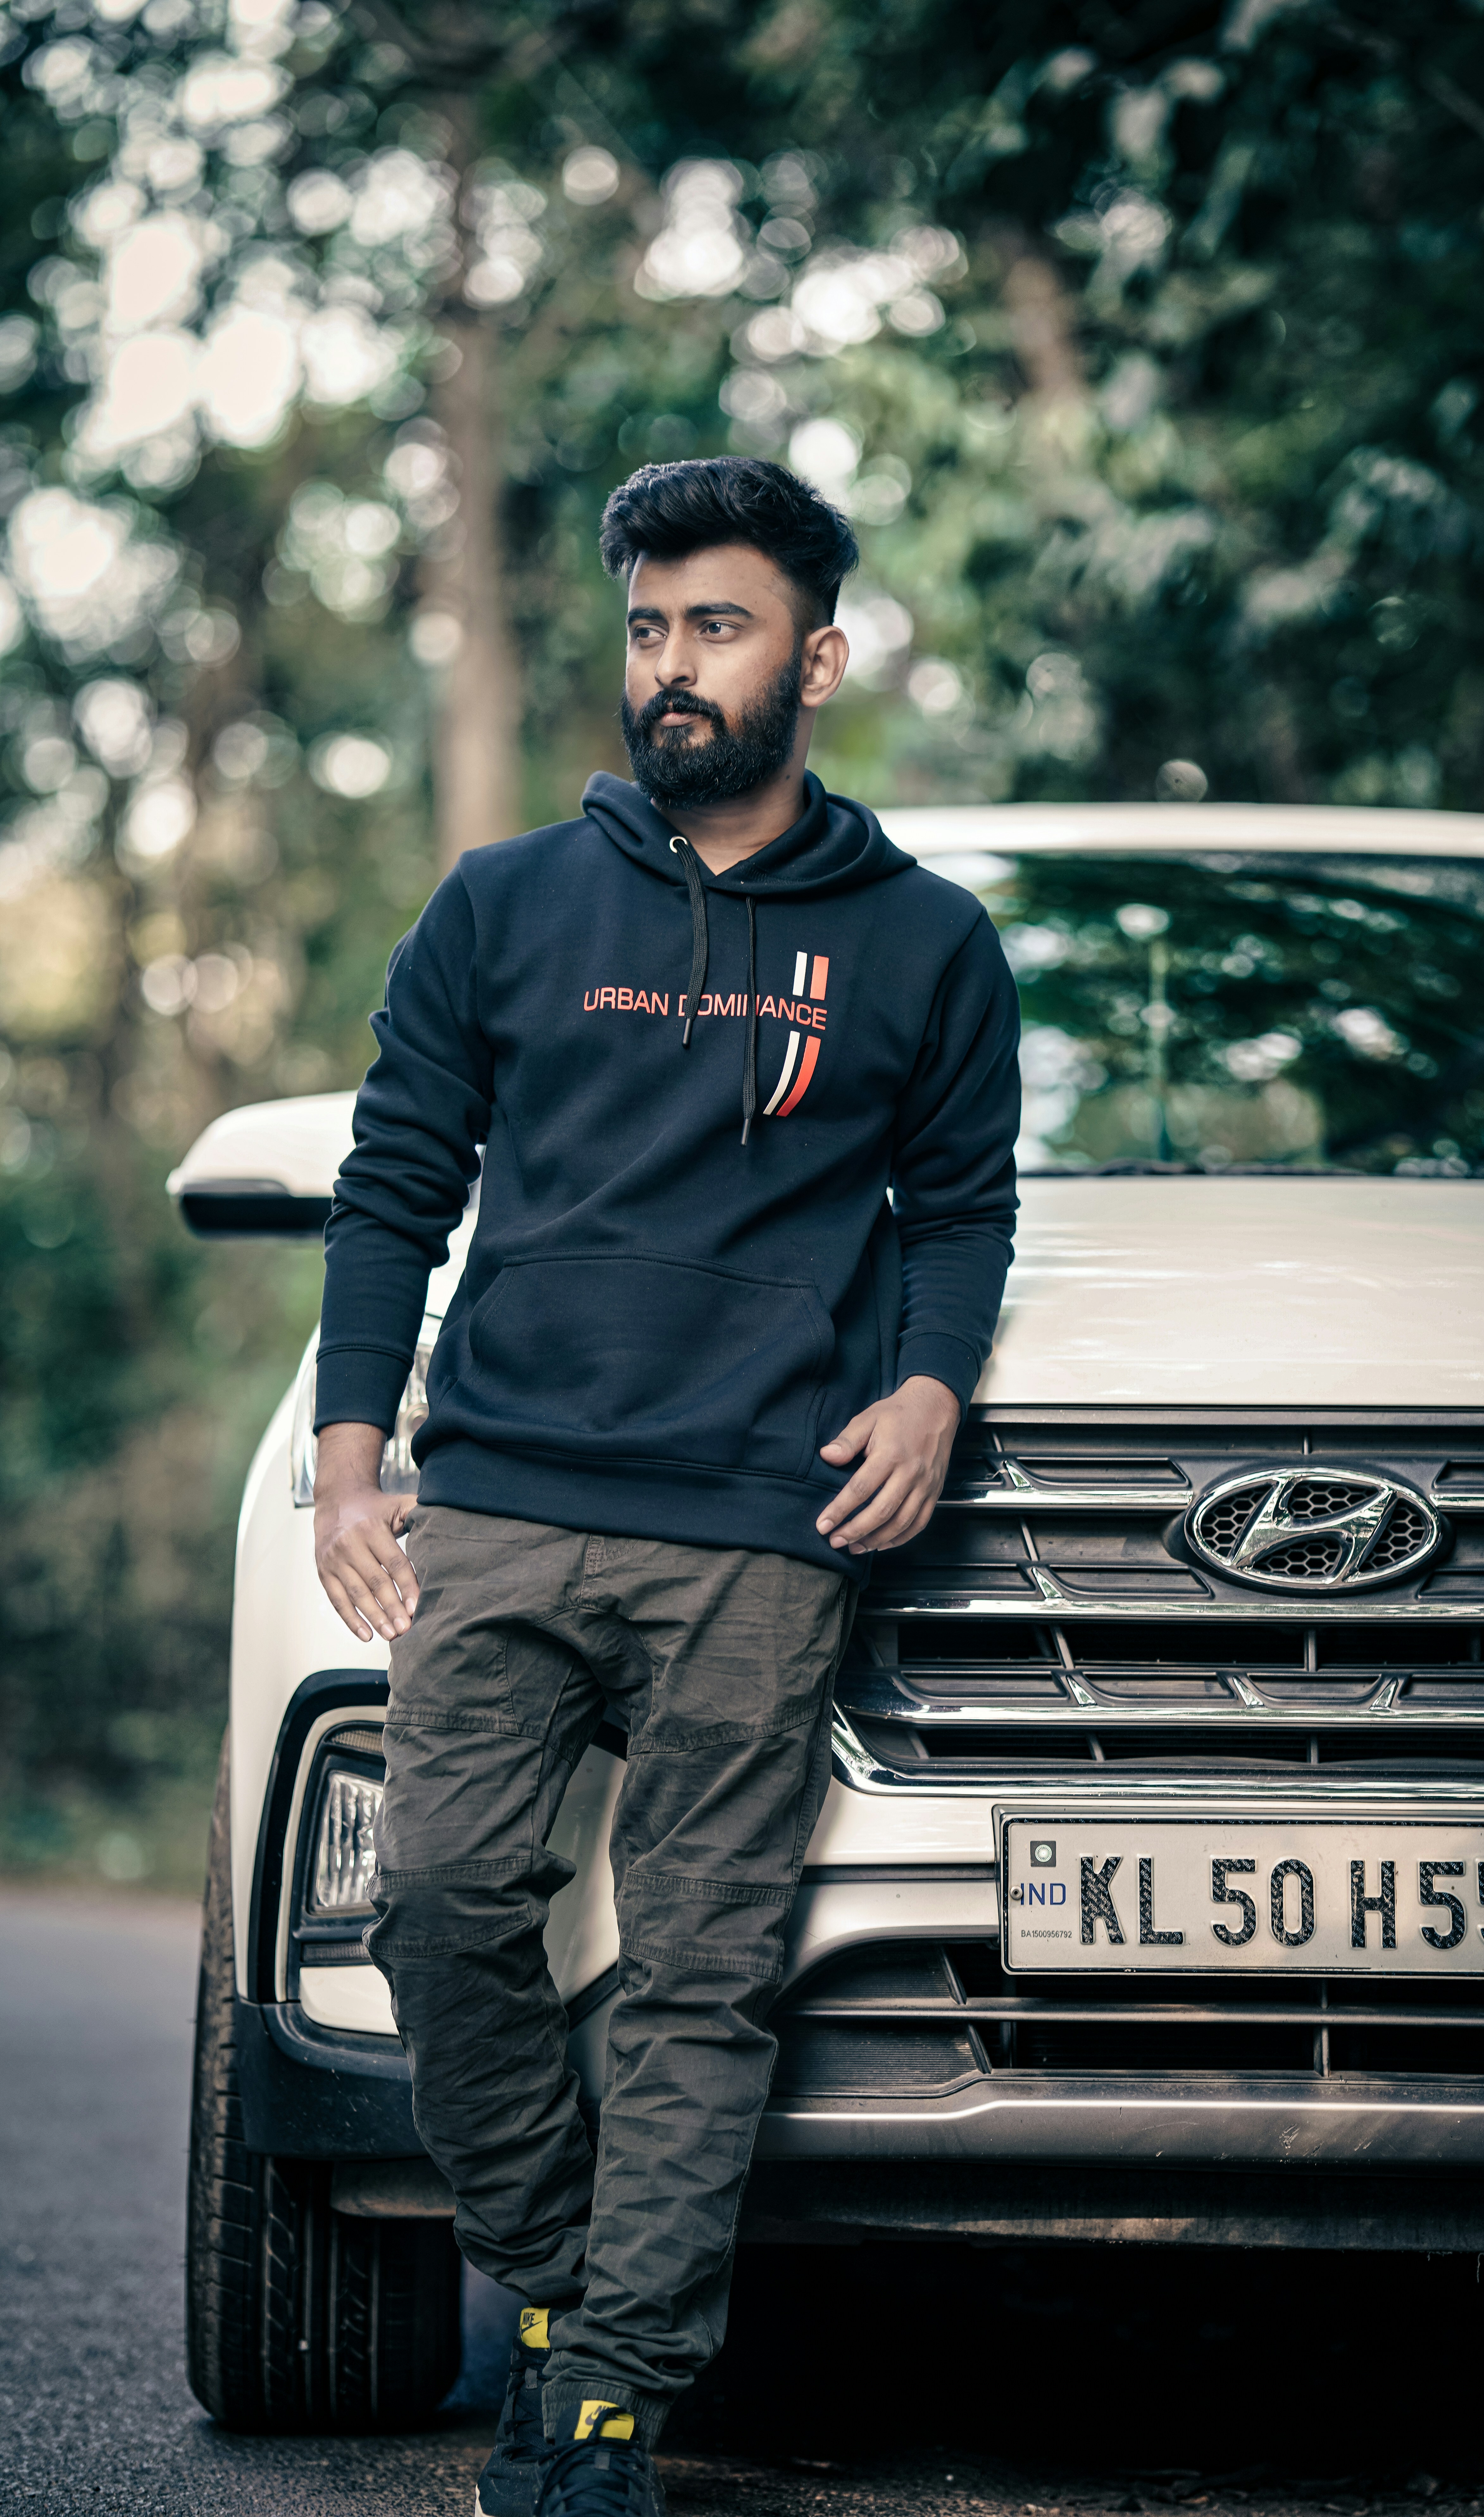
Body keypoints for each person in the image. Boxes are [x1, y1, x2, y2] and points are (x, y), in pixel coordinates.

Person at [310, 456, 1020, 2517]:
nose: (672, 667)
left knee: (706, 1982)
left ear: (817, 654)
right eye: (646, 626)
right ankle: (554, 2278)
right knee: (439, 1909)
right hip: (508, 1494)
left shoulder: (920, 943)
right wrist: (357, 1470)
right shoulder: (502, 904)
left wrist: (925, 1394)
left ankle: (613, 2393)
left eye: (716, 626)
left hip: (762, 1526)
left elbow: (961, 1211)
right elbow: (390, 1194)